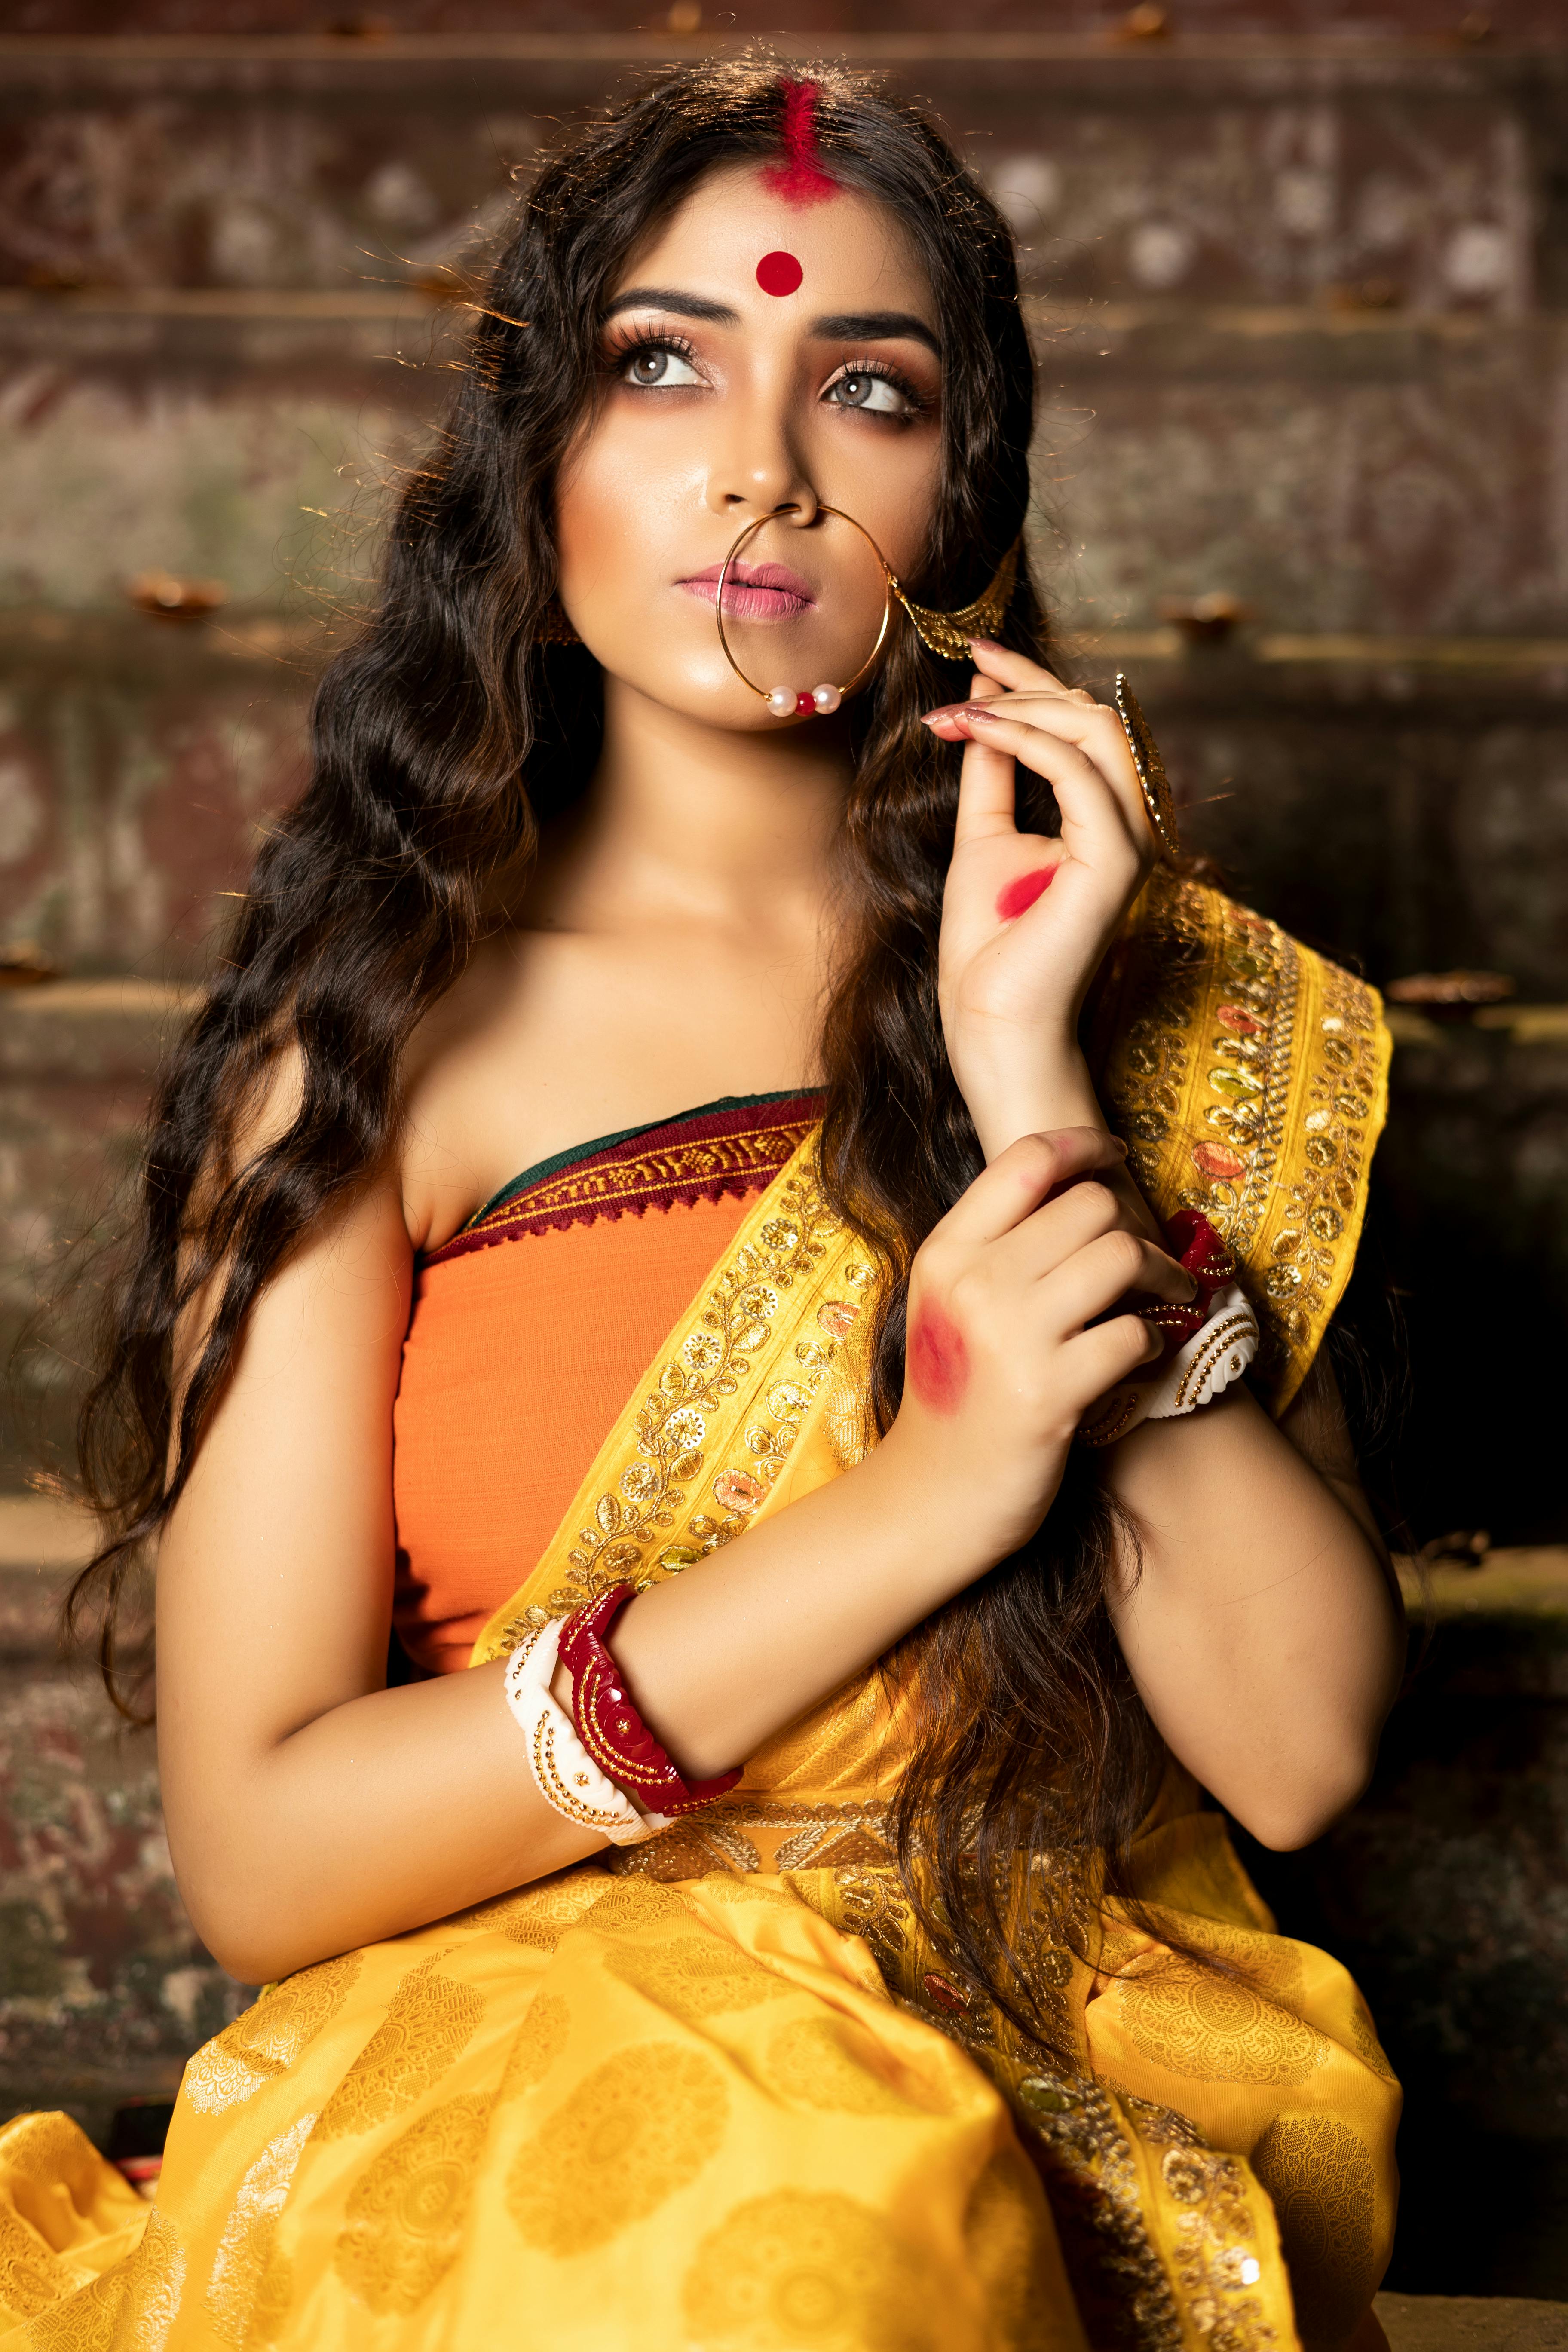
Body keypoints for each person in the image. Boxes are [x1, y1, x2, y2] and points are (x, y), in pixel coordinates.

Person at [0, 58, 1405, 2352]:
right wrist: (931, 1497)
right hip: (545, 2072)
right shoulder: (382, 1052)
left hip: (1054, 2032)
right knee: (802, 2227)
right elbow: (261, 1853)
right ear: (537, 457)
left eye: (867, 388)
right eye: (664, 363)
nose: (760, 464)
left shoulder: (1147, 1018)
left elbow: (1298, 1747)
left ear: (961, 505)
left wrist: (1031, 1079)